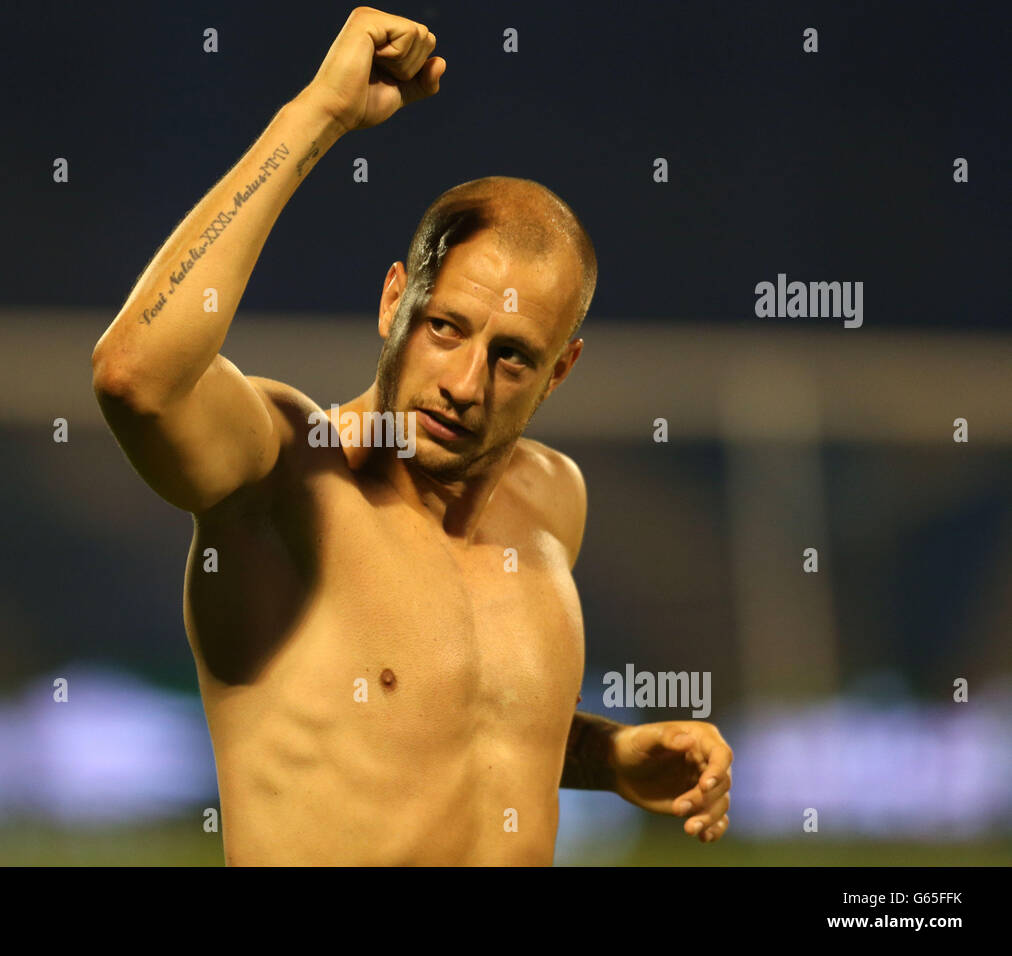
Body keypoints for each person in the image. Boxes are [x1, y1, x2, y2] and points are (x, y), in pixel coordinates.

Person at [92, 6, 732, 865]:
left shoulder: (551, 501)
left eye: (511, 357)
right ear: (395, 301)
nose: (466, 385)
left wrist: (609, 758)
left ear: (561, 371)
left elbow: (456, 725)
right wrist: (317, 114)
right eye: (445, 329)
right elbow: (135, 374)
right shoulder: (284, 474)